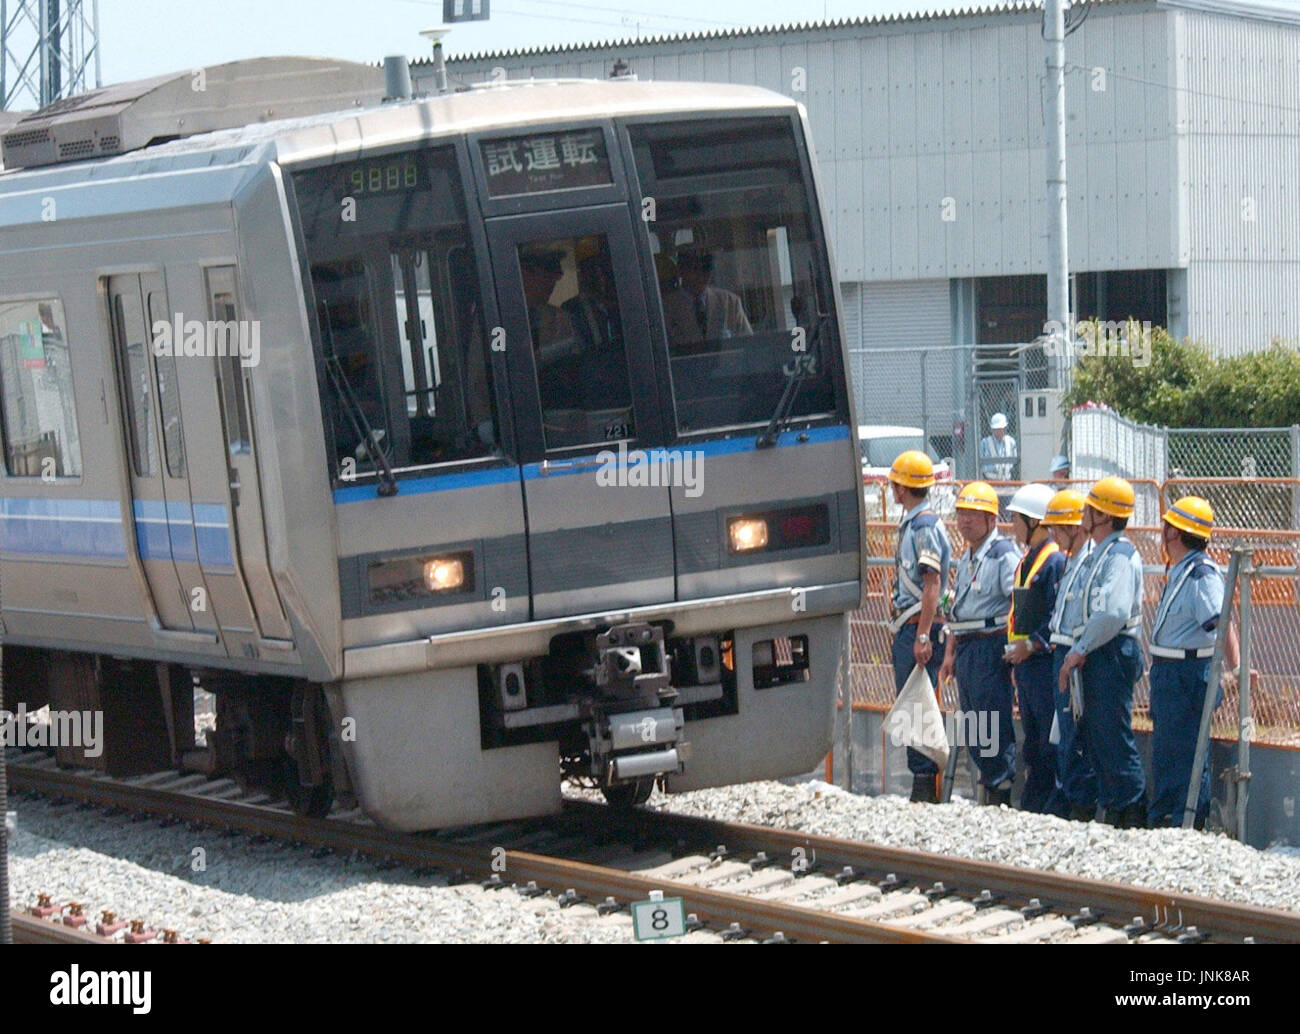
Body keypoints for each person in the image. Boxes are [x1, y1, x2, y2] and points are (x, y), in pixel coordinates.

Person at [1147, 497, 1243, 829]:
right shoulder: (1182, 570)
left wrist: (1237, 666)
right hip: (1171, 671)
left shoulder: (1201, 574)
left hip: (1186, 673)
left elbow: (1222, 620)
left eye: (1166, 525)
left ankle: (1186, 820)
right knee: (1170, 750)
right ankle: (1169, 816)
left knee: (1184, 751)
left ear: (1174, 532)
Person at [1057, 477, 1147, 828]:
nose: (1084, 515)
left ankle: (1131, 813)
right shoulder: (1103, 553)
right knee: (1097, 736)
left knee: (1113, 735)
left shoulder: (1120, 555)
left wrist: (1079, 649)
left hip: (1110, 651)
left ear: (1105, 516)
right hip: (1099, 651)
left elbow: (1113, 612)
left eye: (1090, 509)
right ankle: (1114, 808)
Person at [938, 481, 1021, 805]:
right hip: (968, 648)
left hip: (991, 646)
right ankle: (988, 785)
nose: (965, 521)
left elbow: (1015, 603)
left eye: (974, 514)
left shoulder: (1003, 555)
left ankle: (1000, 791)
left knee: (992, 721)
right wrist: (950, 654)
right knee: (974, 722)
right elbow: (959, 611)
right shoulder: (966, 558)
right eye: (961, 514)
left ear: (991, 520)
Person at [887, 449, 952, 804]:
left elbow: (931, 582)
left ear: (902, 488)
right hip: (911, 625)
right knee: (914, 705)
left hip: (918, 626)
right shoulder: (918, 524)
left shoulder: (923, 527)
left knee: (918, 706)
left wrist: (923, 633)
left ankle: (925, 786)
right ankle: (922, 784)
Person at [1003, 483, 1066, 815]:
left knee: (1046, 741)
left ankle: (1049, 806)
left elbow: (1056, 614)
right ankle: (1035, 804)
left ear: (1036, 521)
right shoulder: (1028, 560)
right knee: (1033, 739)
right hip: (1026, 667)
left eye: (1017, 518)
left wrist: (1033, 644)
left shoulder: (1052, 561)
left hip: (1042, 665)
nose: (1012, 525)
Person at [1042, 488, 1100, 820]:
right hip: (1061, 650)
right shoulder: (1071, 562)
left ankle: (1081, 804)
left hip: (1074, 656)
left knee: (1075, 733)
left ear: (1075, 528)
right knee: (1063, 732)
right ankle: (1068, 797)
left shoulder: (1089, 562)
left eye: (1057, 527)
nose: (1052, 534)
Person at [661, 247, 752, 349]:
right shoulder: (665, 307)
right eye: (694, 268)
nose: (700, 275)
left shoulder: (731, 302)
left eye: (706, 269)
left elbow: (748, 346)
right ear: (681, 271)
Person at [980, 412, 1016, 480]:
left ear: (1005, 428)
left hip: (1007, 480)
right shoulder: (985, 442)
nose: (998, 431)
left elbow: (1014, 462)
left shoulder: (1011, 442)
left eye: (1000, 429)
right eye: (996, 429)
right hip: (990, 480)